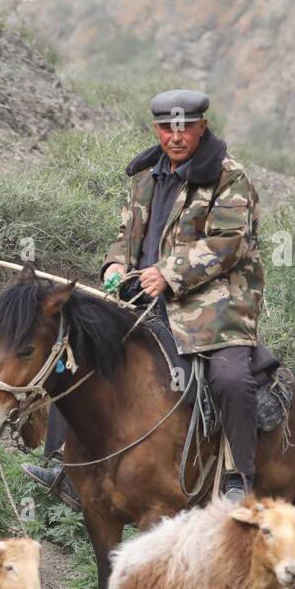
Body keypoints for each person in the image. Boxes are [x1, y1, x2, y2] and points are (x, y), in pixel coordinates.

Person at [23, 89, 265, 506]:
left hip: (216, 303)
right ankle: (66, 467)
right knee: (77, 345)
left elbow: (229, 243)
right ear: (156, 129)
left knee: (230, 376)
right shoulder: (145, 175)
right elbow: (125, 237)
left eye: (184, 128)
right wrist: (115, 266)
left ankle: (240, 477)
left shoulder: (230, 177)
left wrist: (169, 274)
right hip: (144, 295)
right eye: (166, 128)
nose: (175, 136)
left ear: (201, 127)